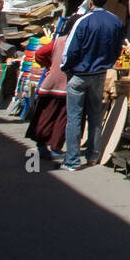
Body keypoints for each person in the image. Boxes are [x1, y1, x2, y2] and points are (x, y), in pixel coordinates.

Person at [60, 0, 124, 171]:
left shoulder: (83, 21)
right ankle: (93, 156)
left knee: (74, 117)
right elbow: (118, 47)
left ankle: (71, 160)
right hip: (99, 74)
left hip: (79, 74)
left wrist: (67, 68)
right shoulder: (115, 21)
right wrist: (108, 63)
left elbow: (70, 50)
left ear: (90, 2)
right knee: (95, 115)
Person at [25, 14, 77, 164]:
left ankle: (42, 145)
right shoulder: (80, 43)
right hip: (68, 86)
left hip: (50, 85)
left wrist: (49, 65)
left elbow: (40, 54)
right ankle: (55, 148)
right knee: (62, 118)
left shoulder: (58, 41)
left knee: (45, 115)